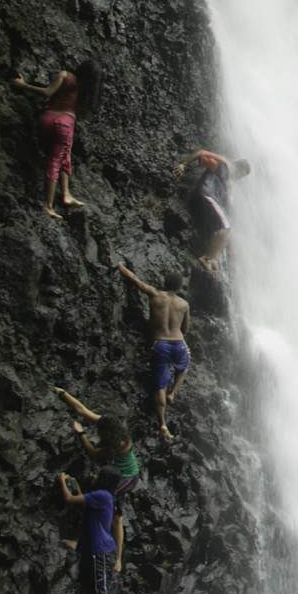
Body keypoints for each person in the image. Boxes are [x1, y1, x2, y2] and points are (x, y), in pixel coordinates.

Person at [53, 387, 139, 555]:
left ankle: (85, 542)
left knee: (102, 507)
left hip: (126, 478)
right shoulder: (113, 426)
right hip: (119, 472)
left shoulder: (117, 445)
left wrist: (81, 434)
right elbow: (83, 410)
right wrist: (62, 393)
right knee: (107, 508)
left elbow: (93, 453)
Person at [12, 60, 101, 217]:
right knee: (56, 159)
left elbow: (47, 93)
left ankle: (66, 193)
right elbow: (80, 113)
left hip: (46, 119)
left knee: (64, 153)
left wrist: (23, 85)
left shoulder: (65, 75)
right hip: (65, 124)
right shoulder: (87, 92)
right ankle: (48, 205)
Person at [115, 262, 190, 439]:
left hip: (160, 344)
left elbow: (136, 281)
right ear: (179, 286)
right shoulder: (184, 304)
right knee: (184, 366)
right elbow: (186, 328)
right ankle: (174, 393)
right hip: (178, 342)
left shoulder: (155, 294)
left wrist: (121, 268)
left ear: (164, 282)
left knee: (159, 385)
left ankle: (163, 423)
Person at [58, 470, 122, 594]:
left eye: (97, 475)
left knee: (100, 592)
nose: (93, 476)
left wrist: (62, 480)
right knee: (87, 590)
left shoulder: (102, 496)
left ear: (103, 480)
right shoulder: (103, 496)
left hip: (99, 551)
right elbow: (82, 499)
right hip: (90, 549)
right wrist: (75, 485)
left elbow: (69, 500)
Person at [174, 148, 250, 272]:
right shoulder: (224, 165)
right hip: (206, 195)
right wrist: (183, 164)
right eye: (241, 172)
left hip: (209, 202)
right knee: (225, 229)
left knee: (223, 231)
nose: (240, 176)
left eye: (243, 175)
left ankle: (212, 258)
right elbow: (202, 153)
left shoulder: (227, 182)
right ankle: (208, 259)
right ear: (237, 166)